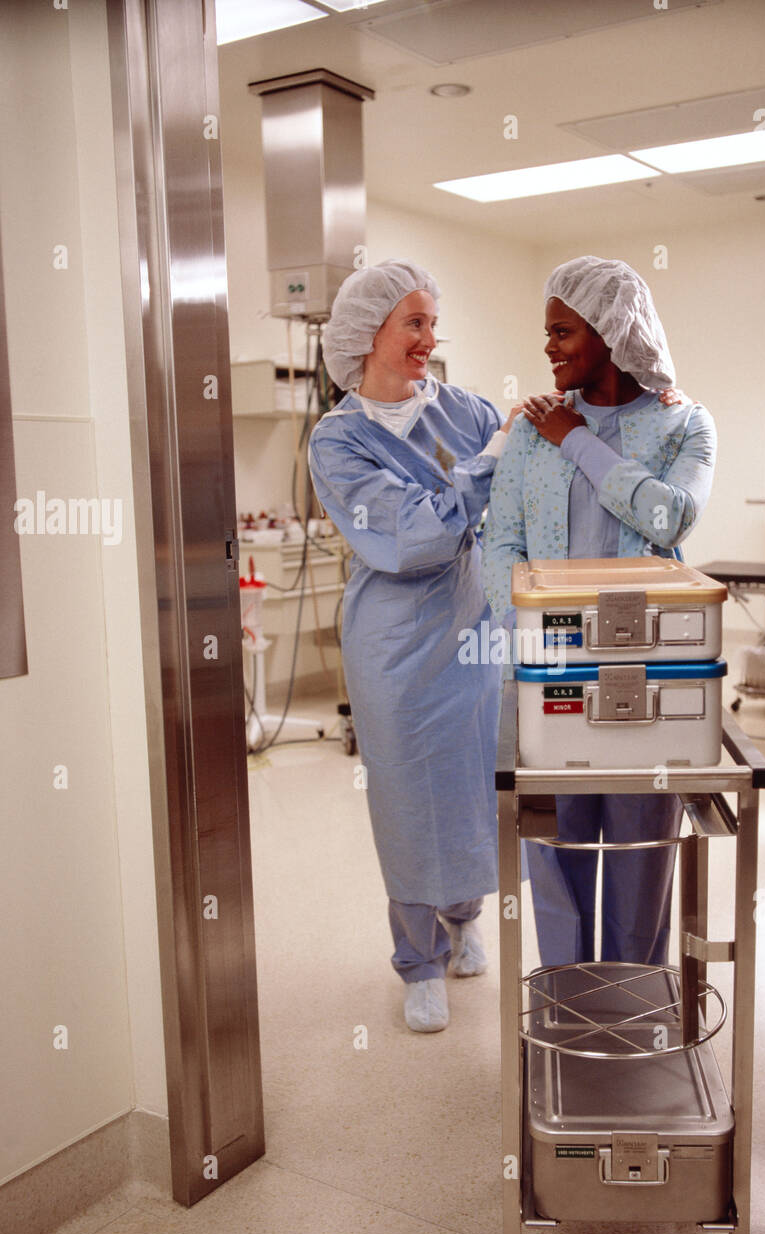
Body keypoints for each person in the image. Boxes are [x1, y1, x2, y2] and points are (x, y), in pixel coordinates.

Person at [482, 256, 716, 969]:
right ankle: (562, 994)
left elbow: (669, 517)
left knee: (642, 846)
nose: (547, 346)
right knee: (554, 843)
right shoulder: (529, 428)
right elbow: (503, 542)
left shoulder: (683, 424)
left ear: (610, 331)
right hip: (547, 668)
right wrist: (529, 639)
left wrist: (575, 440)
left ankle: (633, 998)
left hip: (644, 674)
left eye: (561, 331)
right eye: (546, 333)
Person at [308, 260, 520, 1033]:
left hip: (471, 627)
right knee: (405, 796)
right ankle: (417, 961)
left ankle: (464, 921)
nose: (431, 339)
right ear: (369, 335)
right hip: (393, 641)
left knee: (469, 782)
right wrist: (485, 468)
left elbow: (522, 484)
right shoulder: (337, 441)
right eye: (415, 324)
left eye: (434, 323)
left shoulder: (463, 411)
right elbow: (406, 539)